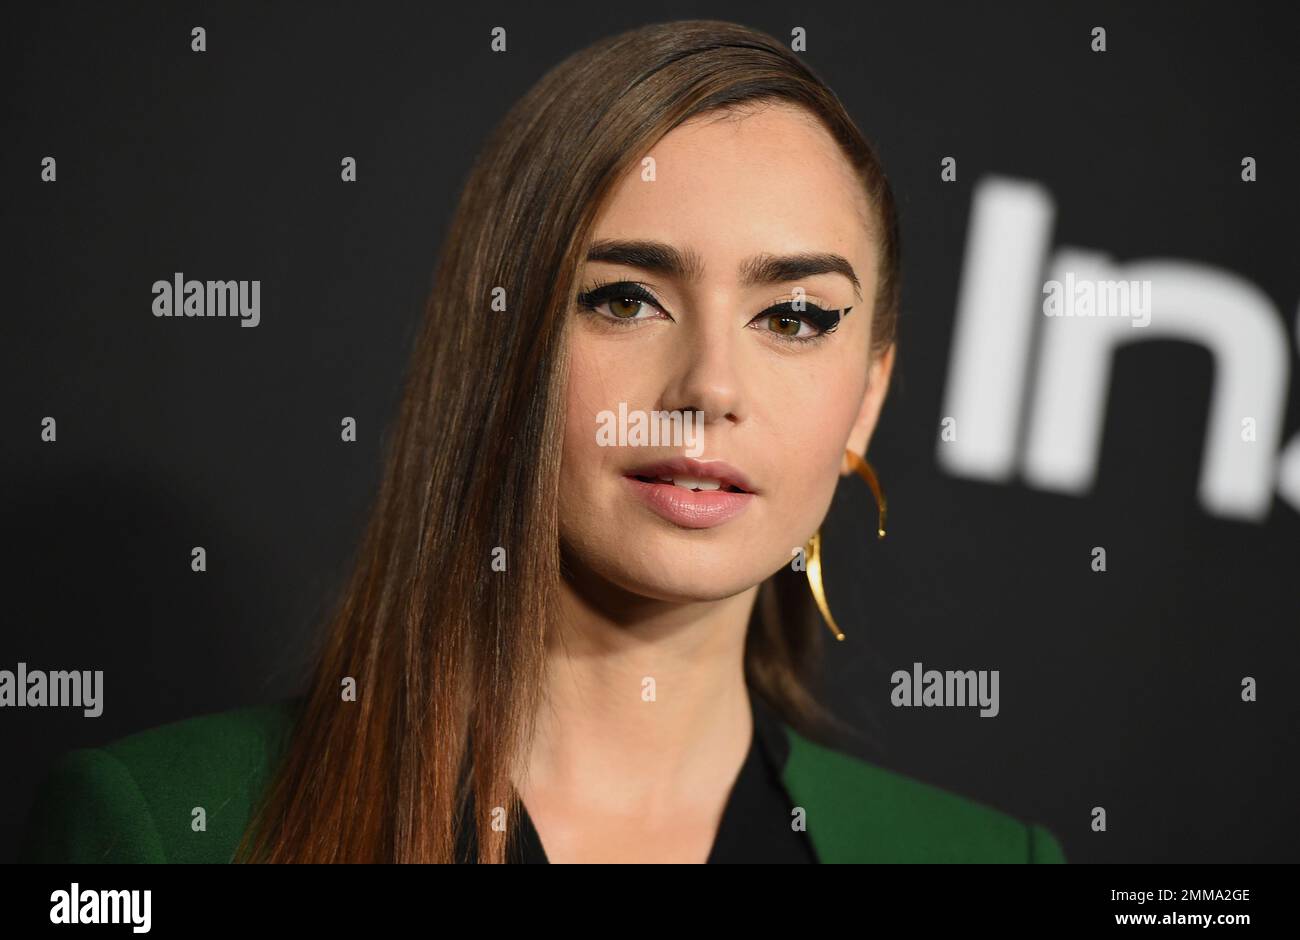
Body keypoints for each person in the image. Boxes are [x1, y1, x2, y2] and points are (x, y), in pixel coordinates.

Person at [18, 19, 1065, 864]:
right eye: (623, 298)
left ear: (868, 398)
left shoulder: (985, 854)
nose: (707, 386)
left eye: (793, 315)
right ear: (500, 345)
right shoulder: (162, 827)